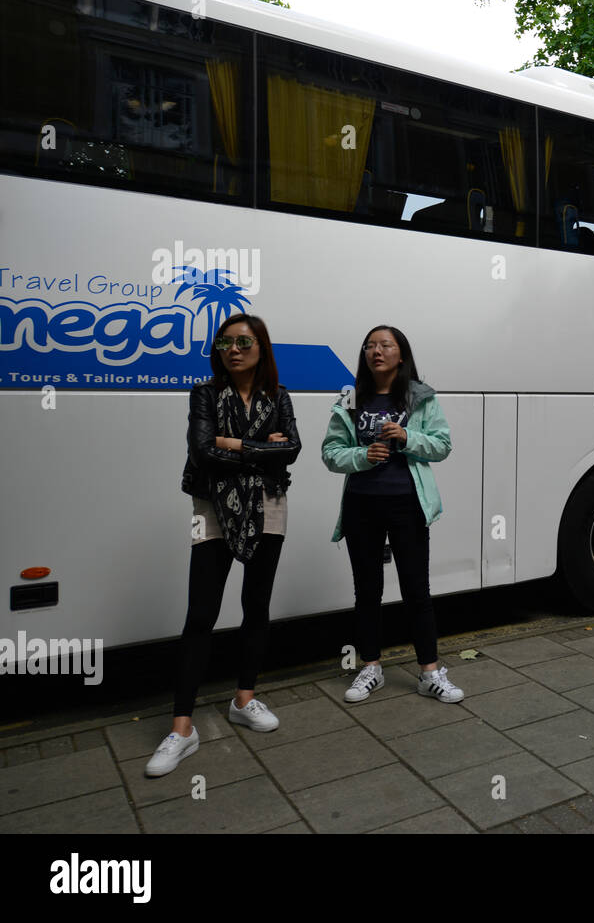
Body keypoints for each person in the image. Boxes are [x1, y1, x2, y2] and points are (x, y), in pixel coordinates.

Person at [146, 314, 301, 777]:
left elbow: (291, 449)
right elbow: (201, 452)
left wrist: (234, 441)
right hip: (211, 506)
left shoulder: (279, 396)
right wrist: (260, 448)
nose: (233, 349)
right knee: (201, 614)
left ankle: (244, 699)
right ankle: (182, 728)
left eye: (244, 341)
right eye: (225, 342)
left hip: (270, 505)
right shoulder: (205, 394)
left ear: (261, 347)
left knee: (256, 605)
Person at [322, 325, 462, 704]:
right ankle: (371, 668)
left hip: (407, 504)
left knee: (417, 590)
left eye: (385, 345)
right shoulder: (351, 398)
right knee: (367, 591)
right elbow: (331, 452)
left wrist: (407, 438)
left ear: (402, 355)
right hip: (361, 506)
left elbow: (442, 445)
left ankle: (429, 673)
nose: (376, 351)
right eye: (369, 346)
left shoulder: (420, 397)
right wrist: (362, 456)